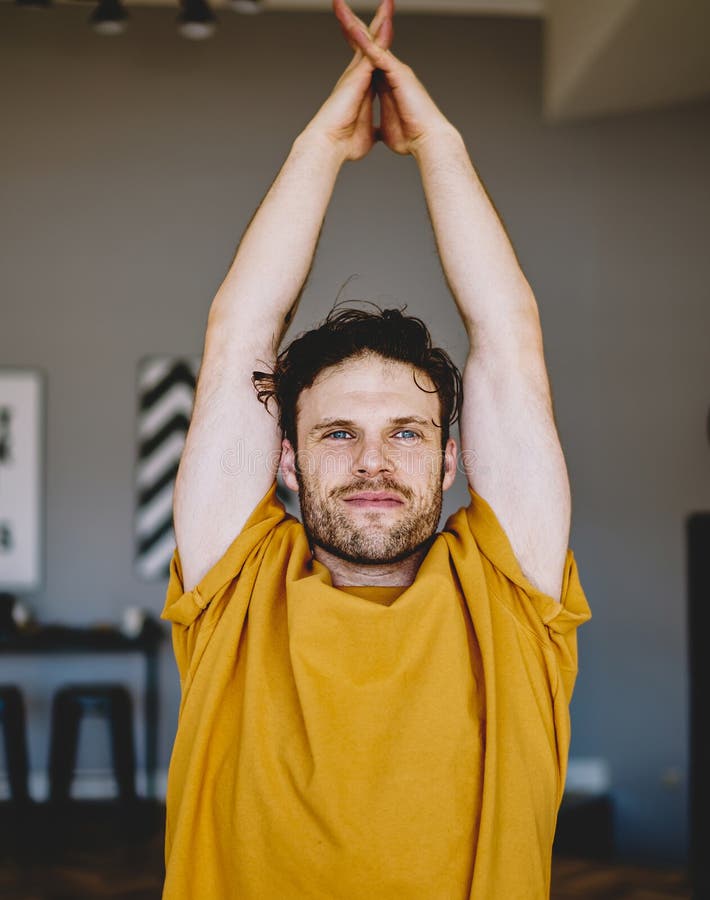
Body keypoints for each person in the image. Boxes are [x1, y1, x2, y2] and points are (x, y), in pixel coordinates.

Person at [161, 1, 591, 897]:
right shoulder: (234, 595)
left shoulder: (510, 599)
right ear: (287, 459)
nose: (373, 462)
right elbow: (240, 331)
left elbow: (508, 336)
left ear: (450, 460)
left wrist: (437, 143)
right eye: (337, 433)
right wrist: (321, 146)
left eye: (406, 432)